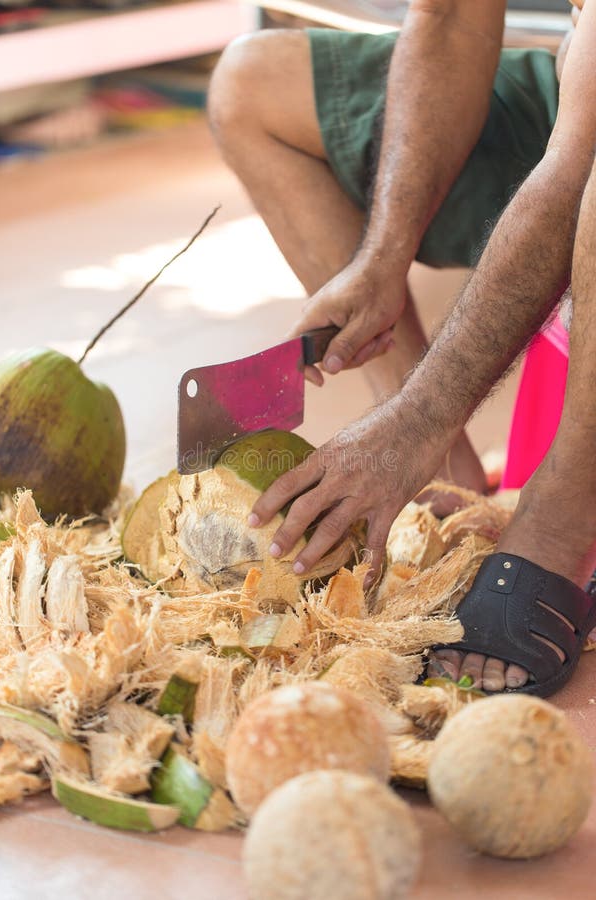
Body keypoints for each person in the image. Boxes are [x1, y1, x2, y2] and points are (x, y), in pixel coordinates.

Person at [207, 0, 596, 696]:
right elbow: (450, 16)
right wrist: (382, 256)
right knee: (251, 83)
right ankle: (448, 482)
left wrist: (418, 415)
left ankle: (563, 514)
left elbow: (574, 174)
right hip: (578, 92)